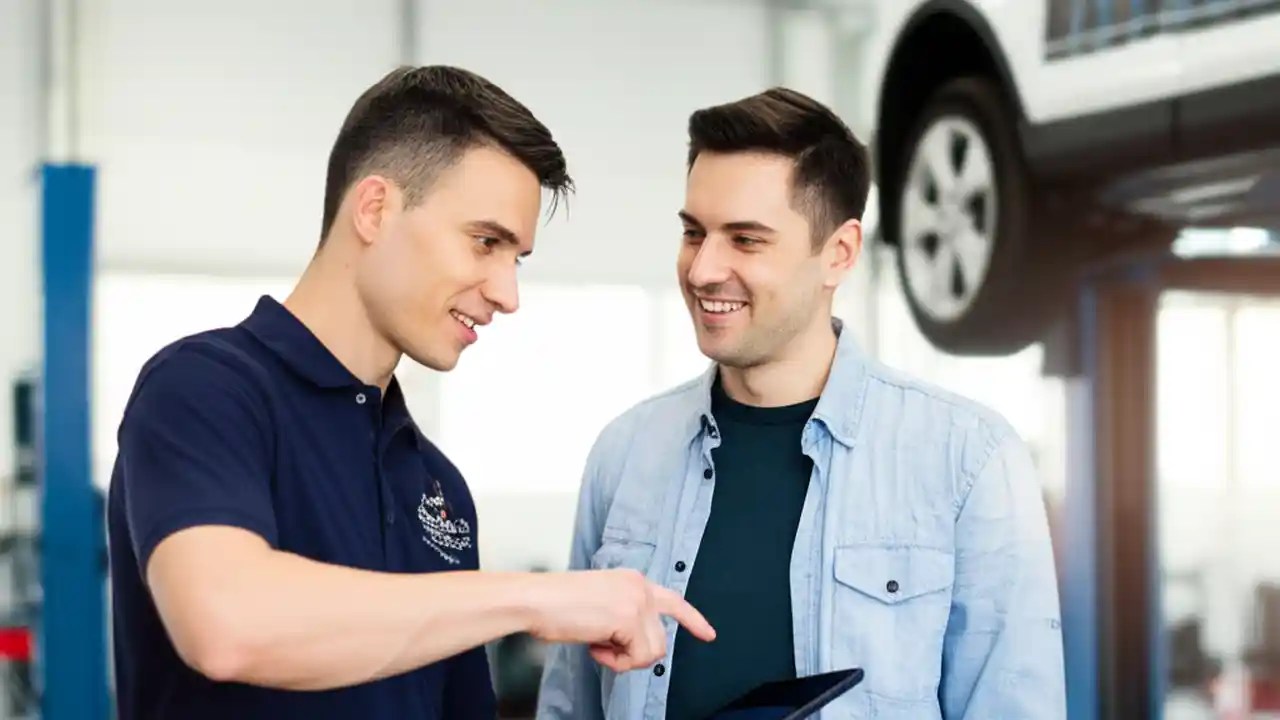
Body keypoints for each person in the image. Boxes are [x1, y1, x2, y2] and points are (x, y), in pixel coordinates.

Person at [105, 65, 714, 720]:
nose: (507, 294)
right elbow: (227, 624)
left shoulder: (438, 489)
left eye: (516, 260)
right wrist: (537, 598)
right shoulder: (203, 390)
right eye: (485, 242)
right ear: (374, 209)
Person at [536, 87, 1066, 719]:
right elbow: (570, 707)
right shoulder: (626, 453)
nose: (703, 269)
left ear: (838, 254)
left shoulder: (968, 460)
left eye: (746, 239)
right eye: (693, 232)